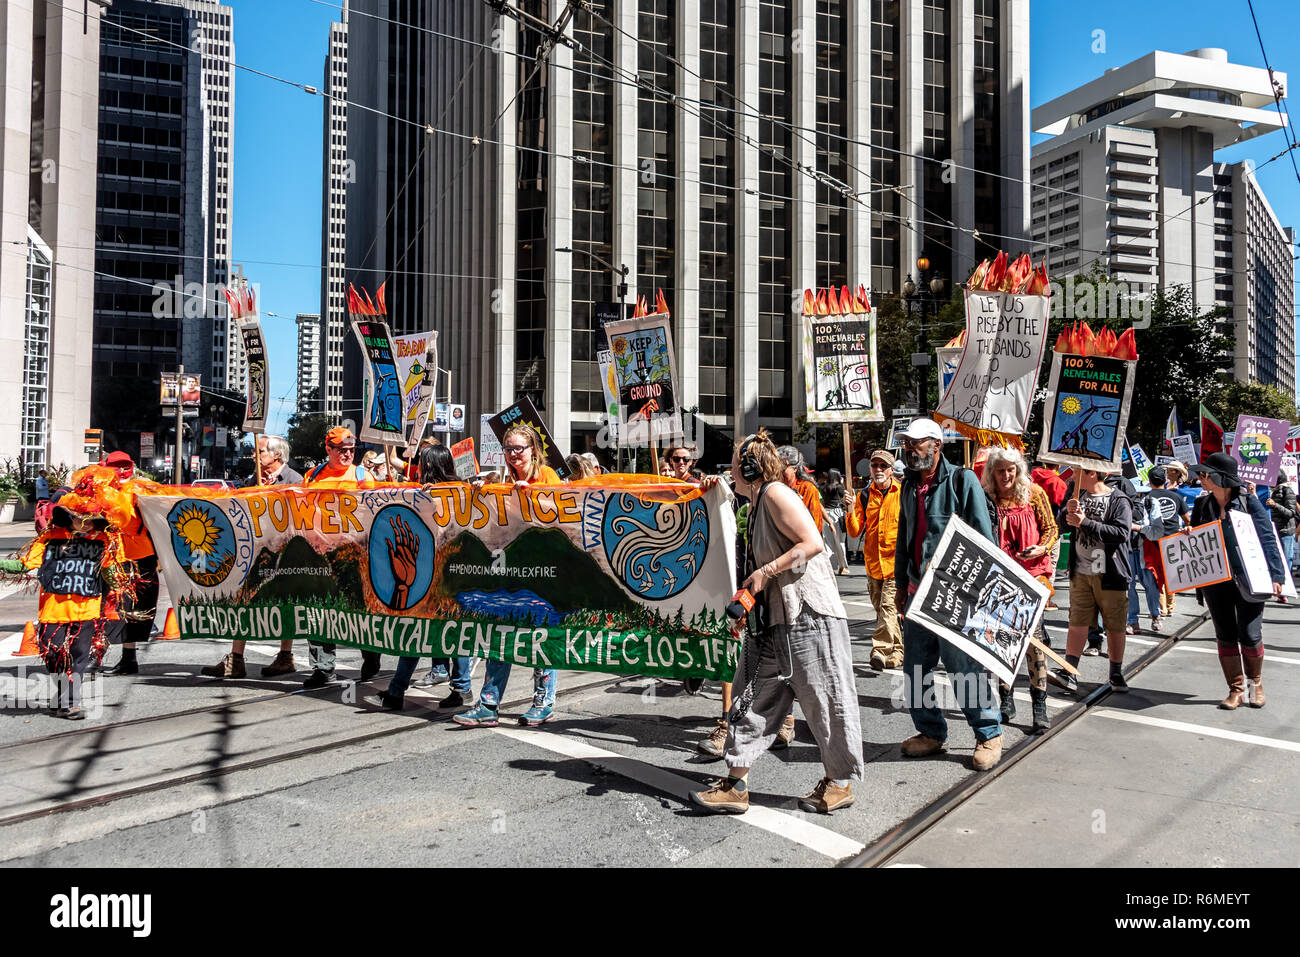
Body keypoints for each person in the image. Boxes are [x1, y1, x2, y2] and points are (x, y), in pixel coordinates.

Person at [689, 429, 863, 815]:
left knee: (825, 701)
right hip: (772, 622)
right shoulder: (754, 504)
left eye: (735, 463)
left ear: (751, 467)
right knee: (749, 698)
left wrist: (767, 571)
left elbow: (811, 544)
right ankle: (735, 784)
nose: (730, 469)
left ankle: (839, 783)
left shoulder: (776, 494)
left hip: (809, 618)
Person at [892, 418, 1004, 771]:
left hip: (954, 594)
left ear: (936, 445)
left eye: (916, 443)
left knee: (963, 667)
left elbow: (983, 539)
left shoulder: (962, 479)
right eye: (907, 443)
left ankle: (988, 733)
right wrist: (900, 584)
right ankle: (930, 732)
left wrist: (977, 590)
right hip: (917, 592)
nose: (909, 449)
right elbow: (905, 537)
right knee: (915, 667)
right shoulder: (909, 485)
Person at [454, 423, 562, 728]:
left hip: (543, 573)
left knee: (541, 638)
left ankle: (543, 702)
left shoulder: (547, 476)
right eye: (508, 449)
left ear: (533, 450)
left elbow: (561, 515)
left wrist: (534, 496)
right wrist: (481, 494)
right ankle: (488, 704)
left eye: (519, 449)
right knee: (499, 637)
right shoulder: (501, 480)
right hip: (509, 571)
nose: (514, 454)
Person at [0, 475, 129, 718]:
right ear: (70, 517)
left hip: (87, 609)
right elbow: (23, 565)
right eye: (82, 520)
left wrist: (119, 582)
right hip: (53, 610)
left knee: (80, 656)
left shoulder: (104, 540)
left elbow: (109, 572)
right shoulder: (50, 537)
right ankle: (63, 695)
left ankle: (71, 702)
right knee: (52, 653)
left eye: (92, 521)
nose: (87, 525)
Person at [367, 444, 475, 712]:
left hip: (439, 575)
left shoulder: (453, 493)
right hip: (444, 574)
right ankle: (459, 688)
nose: (417, 469)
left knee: (419, 633)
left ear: (429, 466)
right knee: (447, 633)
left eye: (422, 464)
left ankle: (400, 691)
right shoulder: (446, 491)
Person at [1188, 453, 1285, 708]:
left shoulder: (1248, 502)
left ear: (1219, 477)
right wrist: (1187, 534)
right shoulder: (1202, 505)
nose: (1200, 478)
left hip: (1250, 578)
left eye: (1204, 474)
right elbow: (1195, 540)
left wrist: (1276, 575)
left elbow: (1267, 537)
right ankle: (1236, 689)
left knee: (1250, 634)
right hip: (1215, 580)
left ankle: (1256, 685)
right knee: (1225, 634)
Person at [200, 436, 300, 679]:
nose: (255, 455)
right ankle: (236, 659)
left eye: (260, 451)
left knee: (286, 602)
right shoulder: (255, 479)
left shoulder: (295, 480)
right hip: (254, 550)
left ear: (277, 455)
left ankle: (285, 656)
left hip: (285, 552)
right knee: (243, 598)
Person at [981, 446, 1057, 734]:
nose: (1006, 475)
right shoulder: (987, 498)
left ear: (1018, 470)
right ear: (992, 473)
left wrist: (1042, 548)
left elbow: (1051, 529)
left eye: (1010, 470)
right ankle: (1006, 697)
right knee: (1004, 641)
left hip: (1031, 576)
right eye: (1000, 470)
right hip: (1000, 579)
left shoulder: (1034, 493)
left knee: (1034, 642)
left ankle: (1040, 705)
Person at [301, 427, 380, 689]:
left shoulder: (363, 476)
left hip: (355, 555)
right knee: (318, 610)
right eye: (341, 450)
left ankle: (371, 656)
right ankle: (323, 668)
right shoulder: (312, 476)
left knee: (359, 610)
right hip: (319, 555)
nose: (347, 454)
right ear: (328, 449)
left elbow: (375, 512)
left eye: (351, 450)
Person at [1049, 466, 1134, 695]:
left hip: (1110, 573)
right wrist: (1066, 514)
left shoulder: (1118, 500)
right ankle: (1069, 670)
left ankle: (1115, 673)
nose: (1072, 477)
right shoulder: (1077, 496)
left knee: (1115, 625)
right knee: (1077, 622)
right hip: (1081, 572)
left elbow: (1122, 533)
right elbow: (1063, 526)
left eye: (1077, 472)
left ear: (1092, 473)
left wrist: (1085, 522)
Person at [100, 452, 160, 679]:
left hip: (139, 555)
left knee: (133, 608)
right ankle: (101, 653)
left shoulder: (140, 489)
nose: (122, 470)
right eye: (117, 466)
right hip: (112, 556)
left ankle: (128, 657)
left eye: (126, 466)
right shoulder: (101, 491)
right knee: (110, 606)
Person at [845, 449, 902, 671]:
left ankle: (879, 650)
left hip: (895, 565)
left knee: (888, 608)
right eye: (875, 465)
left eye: (883, 466)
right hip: (873, 564)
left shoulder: (902, 492)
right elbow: (854, 531)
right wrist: (850, 509)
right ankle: (897, 652)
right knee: (884, 612)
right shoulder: (864, 496)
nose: (879, 469)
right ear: (870, 468)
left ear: (891, 470)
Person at [1144, 466, 1189, 619]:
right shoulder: (1175, 497)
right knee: (1171, 574)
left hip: (1153, 541)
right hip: (1173, 540)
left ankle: (1161, 609)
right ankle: (1170, 607)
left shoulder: (1146, 498)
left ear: (1149, 481)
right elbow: (1187, 519)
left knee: (1156, 575)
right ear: (1165, 480)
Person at [1265, 477, 1298, 602]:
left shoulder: (1287, 491)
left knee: (1286, 560)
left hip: (1285, 532)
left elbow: (1291, 512)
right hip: (1273, 531)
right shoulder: (1269, 491)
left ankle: (1284, 590)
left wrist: (1275, 505)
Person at [776, 446, 824, 531]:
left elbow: (816, 524)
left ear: (795, 468)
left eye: (783, 468)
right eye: (776, 467)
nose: (779, 471)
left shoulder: (808, 489)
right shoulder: (773, 488)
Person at [819, 468, 849, 575]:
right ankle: (842, 566)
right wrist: (842, 483)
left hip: (826, 514)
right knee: (840, 541)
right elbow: (846, 497)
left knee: (827, 542)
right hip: (837, 514)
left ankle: (829, 567)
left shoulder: (823, 488)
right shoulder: (839, 487)